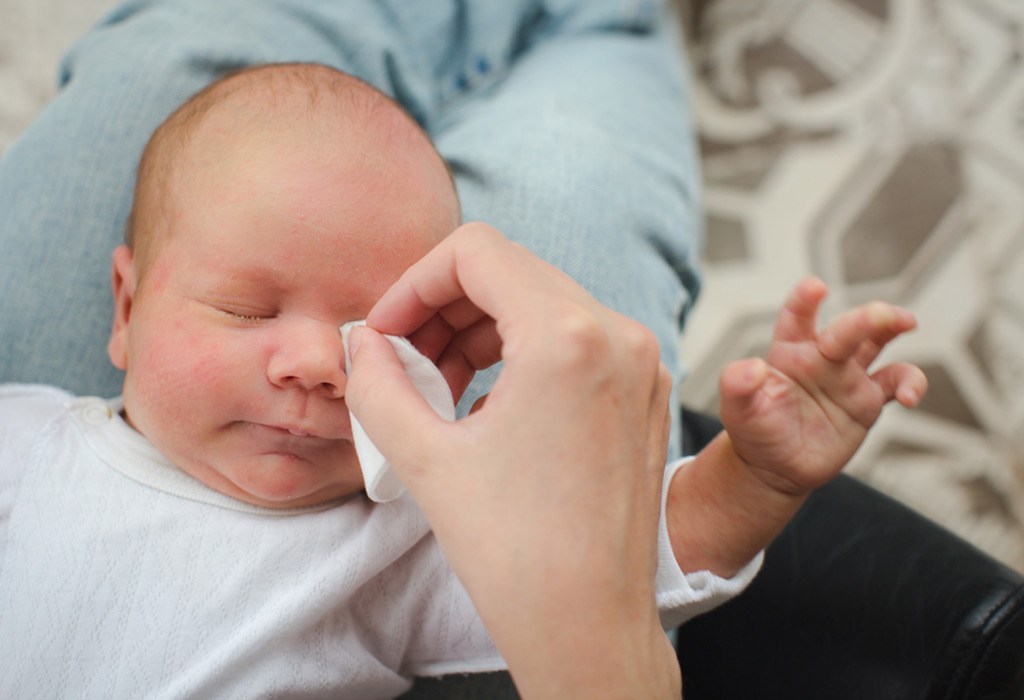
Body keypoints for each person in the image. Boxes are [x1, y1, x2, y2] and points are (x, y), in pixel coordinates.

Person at [0, 62, 927, 698]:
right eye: (246, 309)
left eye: (373, 334)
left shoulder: (386, 547)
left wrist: (753, 476)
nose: (322, 364)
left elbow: (614, 557)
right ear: (123, 310)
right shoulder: (27, 441)